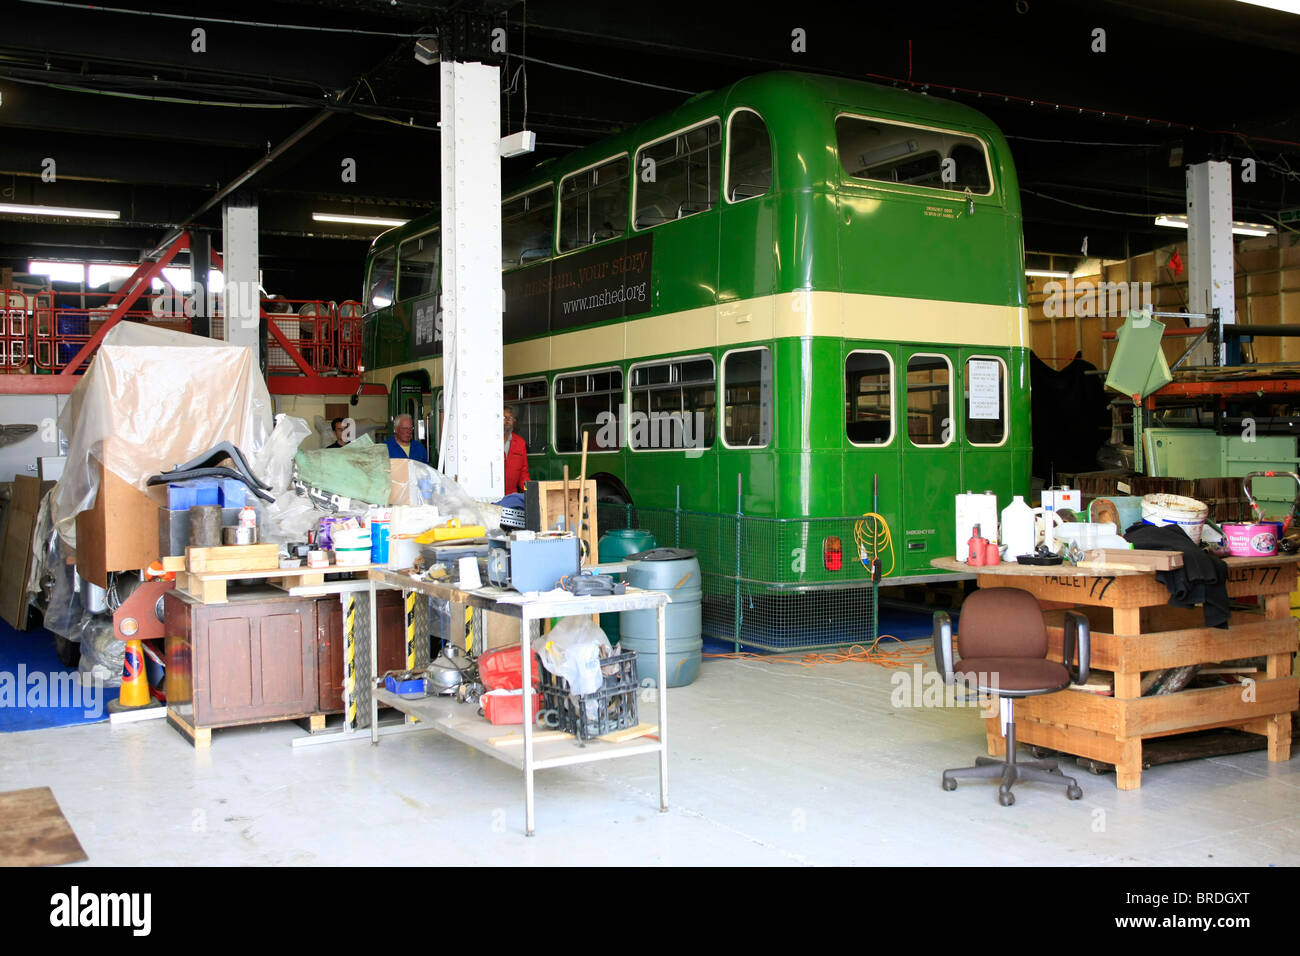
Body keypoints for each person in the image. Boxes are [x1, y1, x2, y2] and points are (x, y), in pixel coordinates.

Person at [503, 405, 529, 494]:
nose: (507, 420)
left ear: (514, 421)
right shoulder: (490, 441)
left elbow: (523, 473)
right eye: (504, 417)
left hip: (512, 495)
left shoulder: (520, 442)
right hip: (492, 493)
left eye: (510, 418)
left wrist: (528, 491)